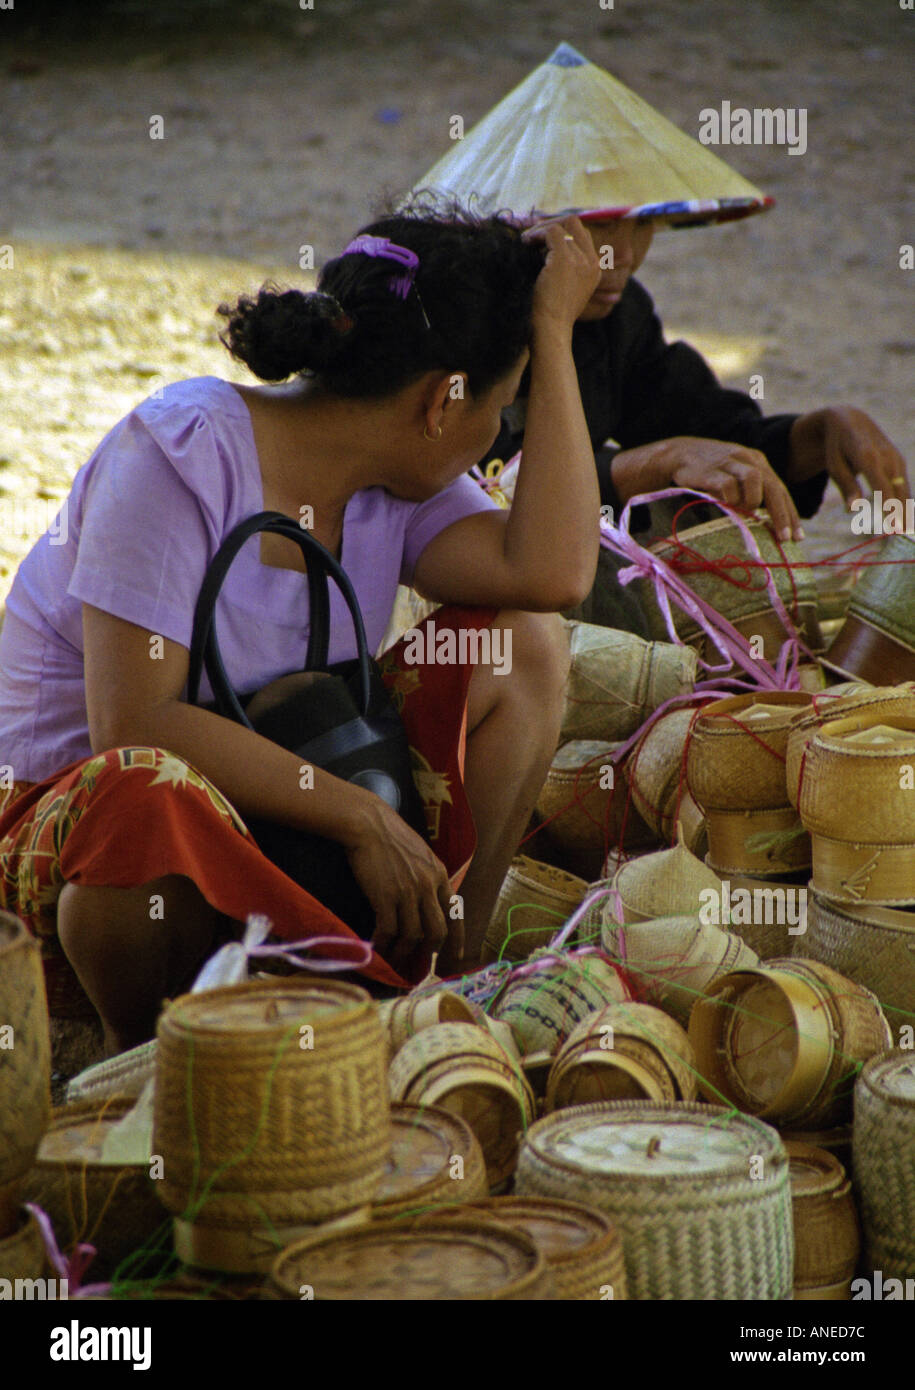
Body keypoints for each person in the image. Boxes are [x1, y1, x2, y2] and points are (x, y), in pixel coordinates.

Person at [0, 207, 601, 1055]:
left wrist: (554, 334)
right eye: (500, 409)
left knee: (520, 641)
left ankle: (448, 982)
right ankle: (142, 1058)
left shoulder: (396, 481)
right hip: (95, 845)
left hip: (289, 813)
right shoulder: (179, 453)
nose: (494, 437)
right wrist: (358, 817)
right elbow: (131, 725)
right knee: (140, 790)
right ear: (440, 403)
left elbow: (554, 576)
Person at [414, 44, 909, 631]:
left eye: (643, 221)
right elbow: (471, 480)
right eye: (597, 221)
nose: (621, 255)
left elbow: (710, 432)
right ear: (526, 219)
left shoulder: (618, 318)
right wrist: (648, 465)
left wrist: (820, 432)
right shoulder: (452, 319)